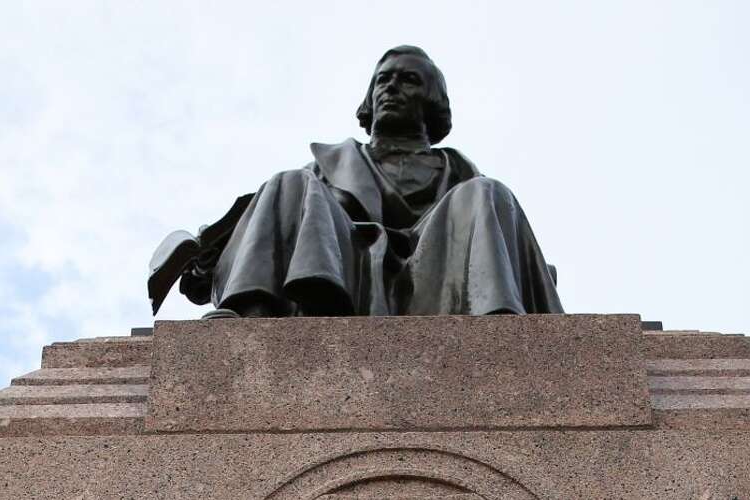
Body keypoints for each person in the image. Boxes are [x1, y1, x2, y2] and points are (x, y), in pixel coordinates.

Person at [148, 47, 563, 318]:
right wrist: (210, 245)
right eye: (383, 80)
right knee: (288, 182)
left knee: (490, 193)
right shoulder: (329, 164)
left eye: (408, 80)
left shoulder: (461, 175)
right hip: (342, 268)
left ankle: (500, 330)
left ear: (433, 101)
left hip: (434, 272)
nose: (391, 89)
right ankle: (249, 315)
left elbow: (492, 241)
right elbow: (277, 221)